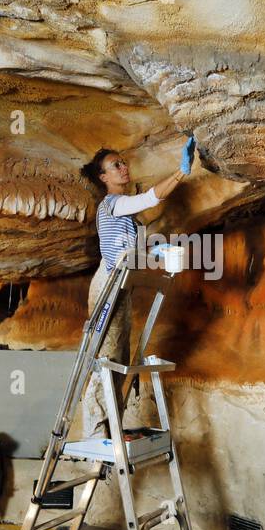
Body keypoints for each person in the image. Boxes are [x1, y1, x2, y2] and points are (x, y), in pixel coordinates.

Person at [77, 136, 195, 438]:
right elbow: (150, 198)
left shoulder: (127, 214)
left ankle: (112, 429)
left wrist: (155, 253)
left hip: (122, 283)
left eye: (123, 162)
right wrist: (182, 171)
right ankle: (96, 433)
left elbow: (132, 249)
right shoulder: (112, 204)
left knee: (118, 355)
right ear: (103, 177)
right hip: (108, 283)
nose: (123, 167)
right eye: (115, 165)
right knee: (106, 356)